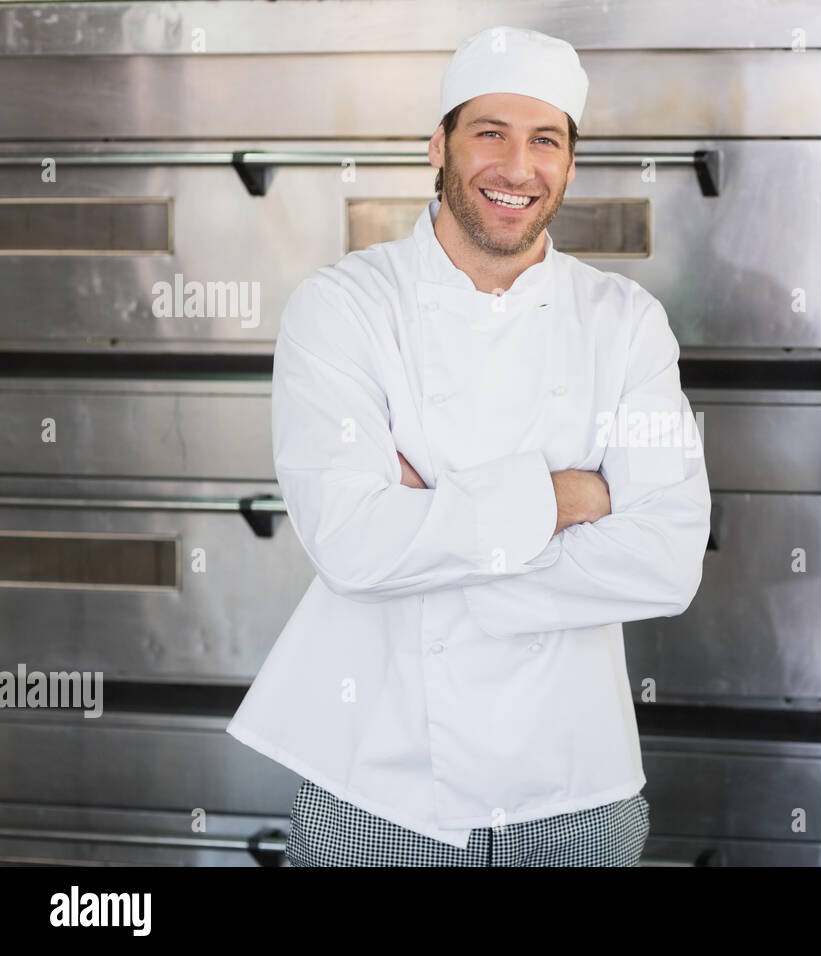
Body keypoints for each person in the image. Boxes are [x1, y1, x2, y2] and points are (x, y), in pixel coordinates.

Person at [226, 24, 711, 866]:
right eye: (490, 132)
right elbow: (349, 546)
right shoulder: (344, 309)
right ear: (438, 146)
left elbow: (668, 560)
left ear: (567, 162)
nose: (517, 167)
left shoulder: (624, 324)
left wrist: (431, 538)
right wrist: (569, 497)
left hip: (576, 793)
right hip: (376, 791)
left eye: (545, 141)